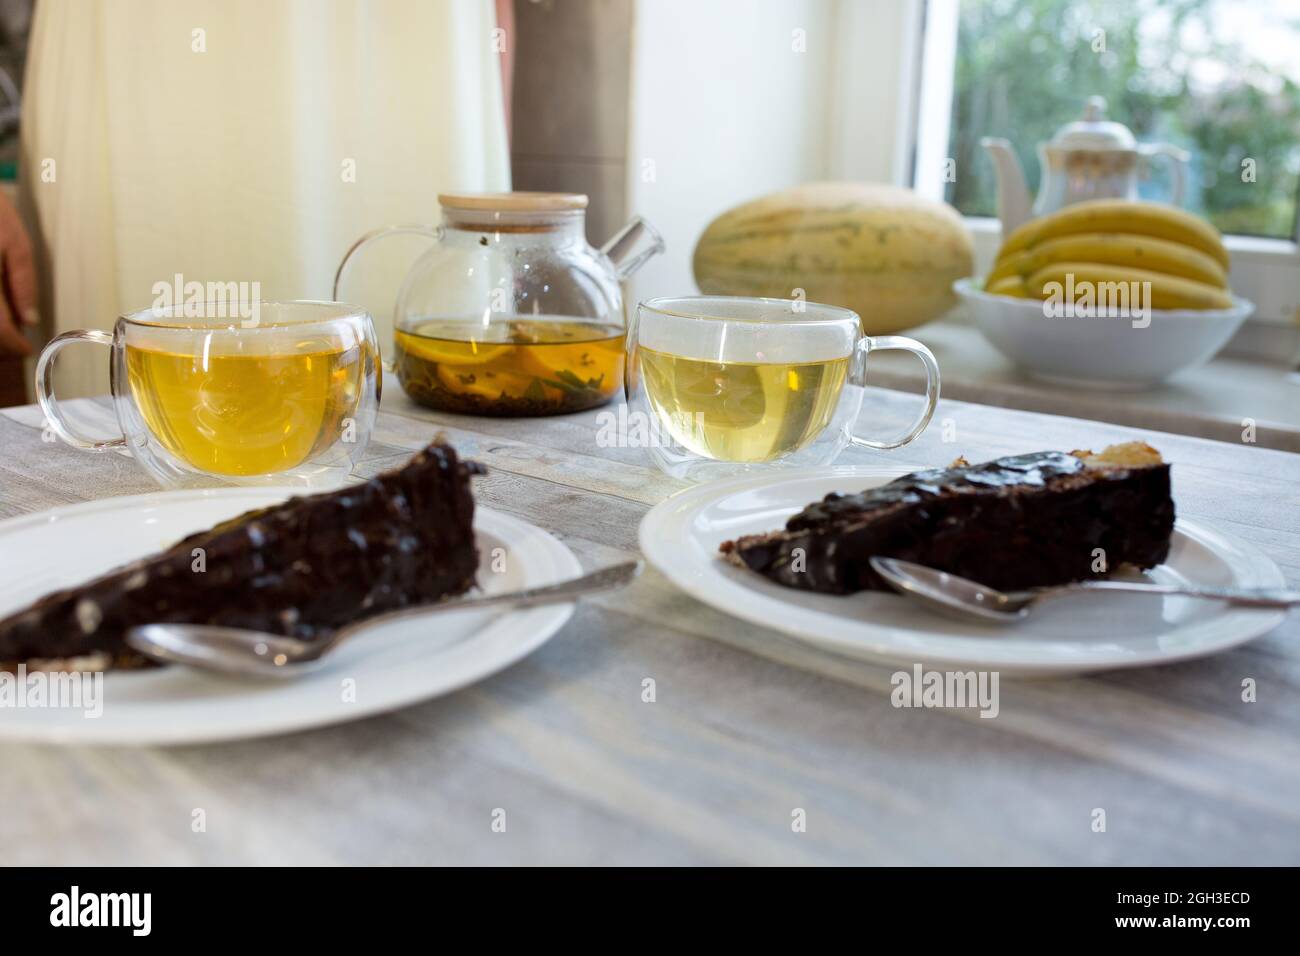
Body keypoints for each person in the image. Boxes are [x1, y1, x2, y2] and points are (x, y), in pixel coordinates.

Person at [13, 0, 513, 402]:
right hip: (138, 68)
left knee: (451, 414)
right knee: (130, 439)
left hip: (423, 65)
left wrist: (492, 156)